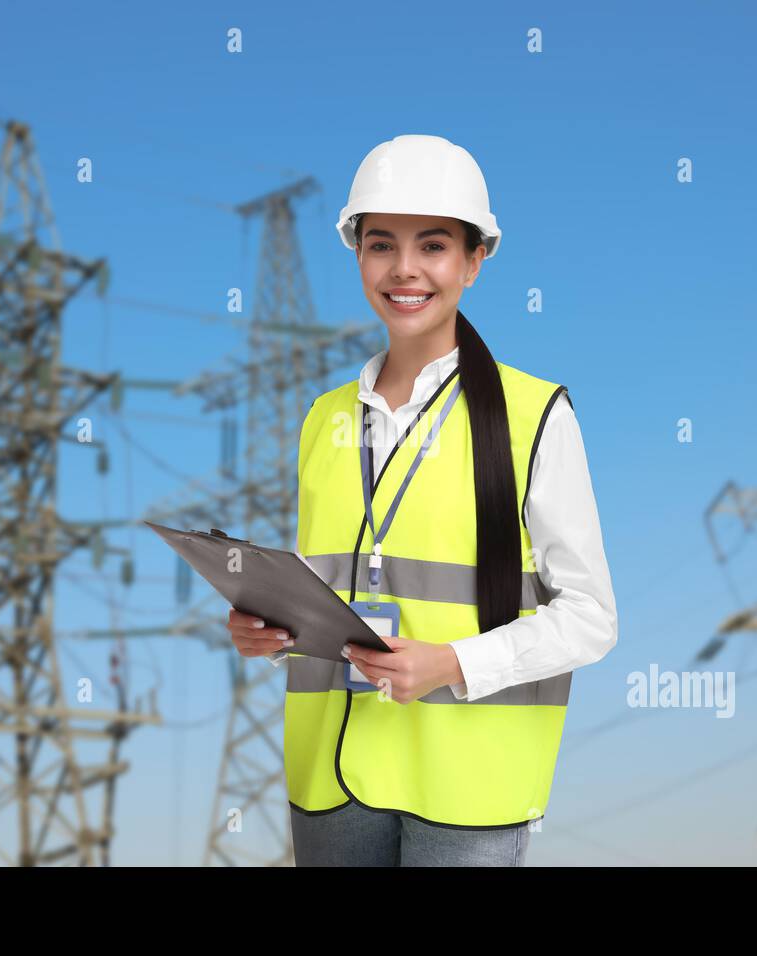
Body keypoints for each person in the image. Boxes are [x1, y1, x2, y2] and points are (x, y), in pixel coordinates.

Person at [226, 134, 618, 866]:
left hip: (466, 783)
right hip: (331, 777)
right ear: (358, 256)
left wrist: (454, 664)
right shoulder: (323, 420)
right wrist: (270, 632)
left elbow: (592, 619)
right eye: (381, 245)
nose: (404, 269)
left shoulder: (536, 416)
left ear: (474, 261)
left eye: (433, 246)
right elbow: (339, 596)